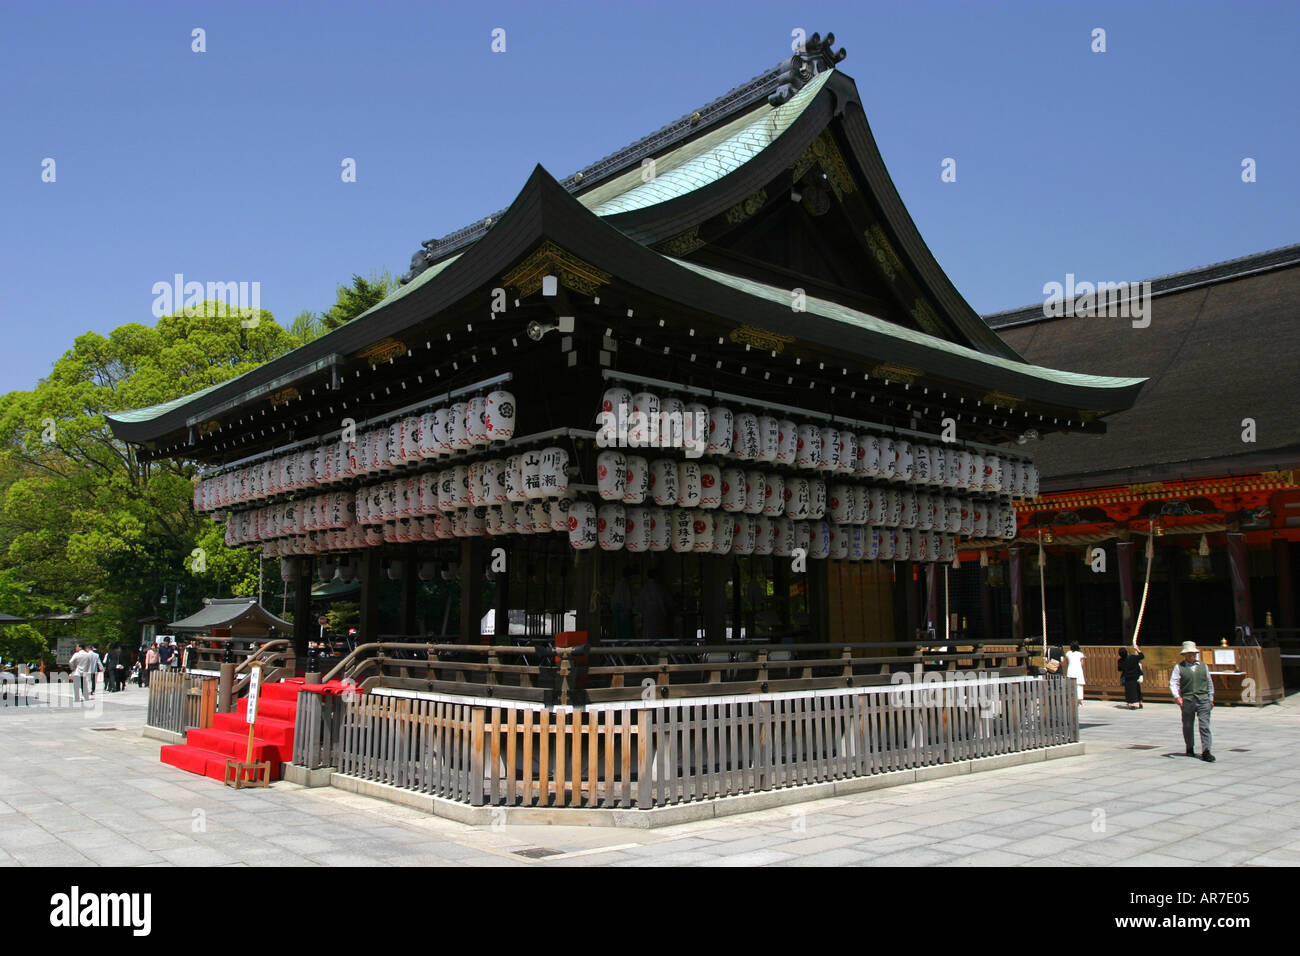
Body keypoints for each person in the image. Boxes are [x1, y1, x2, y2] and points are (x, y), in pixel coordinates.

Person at [1170, 641, 1215, 762]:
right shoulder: (1179, 667)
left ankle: (1206, 751)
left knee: (1204, 726)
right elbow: (1173, 683)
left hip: (1203, 698)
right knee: (1188, 725)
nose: (1192, 656)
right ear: (1184, 655)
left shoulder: (1203, 666)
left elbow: (1209, 682)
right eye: (1189, 654)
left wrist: (1211, 698)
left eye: (1193, 653)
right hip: (1188, 699)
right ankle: (1189, 747)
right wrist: (1177, 697)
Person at [634, 568, 675, 642]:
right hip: (660, 616)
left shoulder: (645, 589)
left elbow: (638, 605)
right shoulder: (661, 588)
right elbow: (669, 602)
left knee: (649, 638)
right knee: (660, 638)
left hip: (648, 617)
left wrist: (643, 613)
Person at [611, 568, 635, 640]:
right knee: (624, 631)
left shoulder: (619, 584)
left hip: (617, 608)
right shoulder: (625, 585)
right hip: (622, 609)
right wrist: (627, 610)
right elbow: (627, 600)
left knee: (618, 630)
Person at [1117, 645, 1144, 709]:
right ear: (1126, 652)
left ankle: (1132, 704)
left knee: (1130, 691)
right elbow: (1142, 656)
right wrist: (1137, 649)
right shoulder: (1133, 657)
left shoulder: (1120, 661)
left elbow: (1120, 669)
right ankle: (1140, 703)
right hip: (1136, 676)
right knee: (1137, 689)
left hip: (1128, 677)